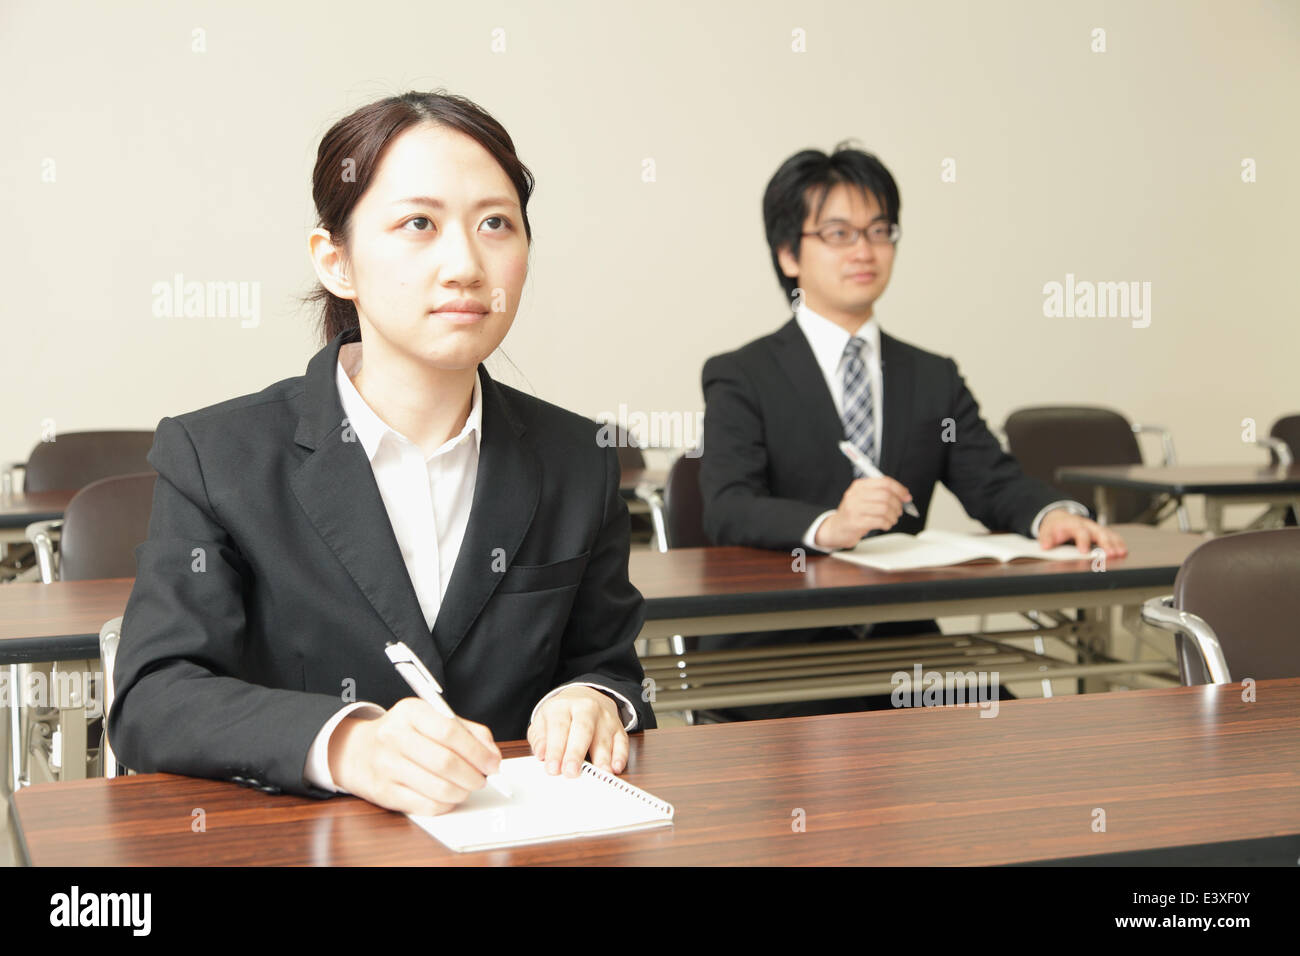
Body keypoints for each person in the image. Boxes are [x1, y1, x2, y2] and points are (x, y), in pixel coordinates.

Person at [110, 91, 654, 815]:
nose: (464, 264)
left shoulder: (578, 457)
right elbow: (156, 697)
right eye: (418, 224)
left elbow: (609, 666)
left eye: (495, 223)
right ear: (335, 262)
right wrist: (348, 746)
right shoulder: (217, 456)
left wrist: (592, 699)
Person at [696, 143, 1126, 721]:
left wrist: (1053, 515)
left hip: (904, 640)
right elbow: (729, 506)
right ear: (788, 254)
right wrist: (831, 524)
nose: (865, 250)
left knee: (1013, 739)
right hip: (779, 640)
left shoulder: (931, 376)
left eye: (879, 230)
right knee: (844, 766)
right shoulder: (742, 374)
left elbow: (992, 482)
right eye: (839, 233)